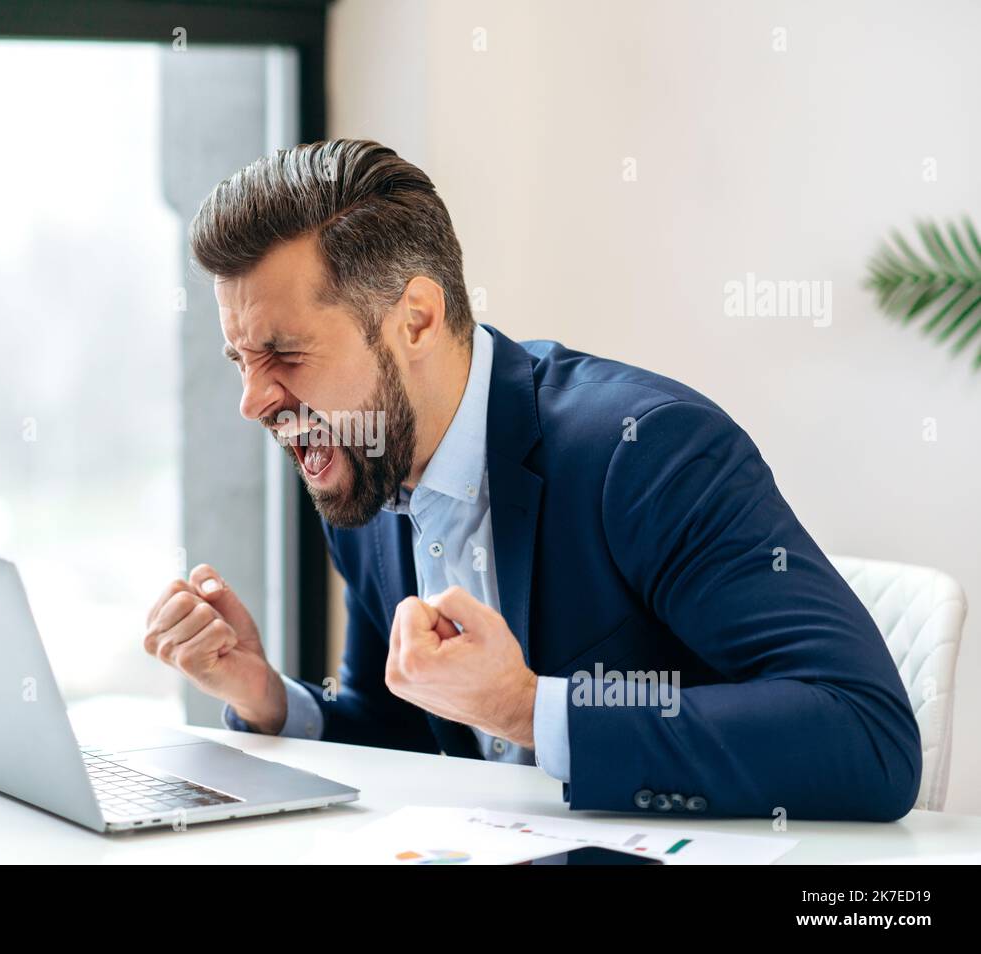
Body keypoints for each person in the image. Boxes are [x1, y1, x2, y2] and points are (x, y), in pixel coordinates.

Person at [141, 139, 920, 820]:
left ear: (415, 319)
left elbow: (867, 736)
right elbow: (404, 726)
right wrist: (266, 698)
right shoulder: (363, 464)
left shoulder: (644, 449)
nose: (253, 401)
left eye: (285, 354)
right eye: (241, 361)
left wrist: (529, 708)